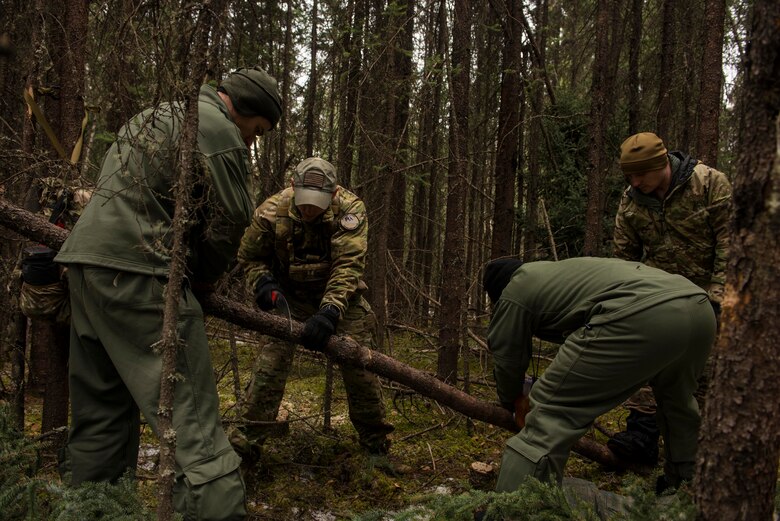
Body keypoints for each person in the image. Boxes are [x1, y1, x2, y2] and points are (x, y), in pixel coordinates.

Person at [54, 66, 282, 521]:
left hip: (83, 266)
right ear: (248, 111)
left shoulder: (156, 114)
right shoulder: (215, 127)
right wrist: (202, 280)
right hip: (140, 274)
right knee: (194, 429)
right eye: (257, 131)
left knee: (100, 418)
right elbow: (232, 217)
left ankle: (91, 511)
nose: (254, 141)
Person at [482, 257, 716, 493]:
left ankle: (510, 508)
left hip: (643, 311)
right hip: (699, 308)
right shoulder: (554, 272)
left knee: (547, 414)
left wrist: (513, 400)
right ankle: (689, 487)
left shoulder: (514, 289)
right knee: (678, 401)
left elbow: (507, 356)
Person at [231, 157, 394, 465]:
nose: (309, 211)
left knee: (360, 368)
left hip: (342, 301)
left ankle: (376, 447)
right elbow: (249, 257)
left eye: (317, 204)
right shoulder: (270, 211)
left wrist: (330, 311)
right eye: (304, 203)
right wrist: (263, 283)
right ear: (293, 188)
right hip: (289, 299)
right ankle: (245, 448)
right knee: (270, 366)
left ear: (333, 194)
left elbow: (348, 266)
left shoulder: (350, 209)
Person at [609, 132, 731, 466]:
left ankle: (699, 452)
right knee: (647, 359)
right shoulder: (632, 200)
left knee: (703, 374)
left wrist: (718, 298)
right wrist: (628, 301)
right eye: (629, 176)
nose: (635, 182)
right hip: (659, 296)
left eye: (640, 174)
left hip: (709, 294)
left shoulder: (708, 184)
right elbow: (624, 257)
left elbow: (730, 244)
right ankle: (643, 434)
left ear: (661, 164)